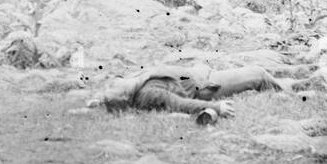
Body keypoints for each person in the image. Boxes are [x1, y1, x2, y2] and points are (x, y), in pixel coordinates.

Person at [101, 63, 287, 120]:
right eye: (114, 87)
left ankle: (294, 80)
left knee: (264, 73)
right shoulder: (148, 93)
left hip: (198, 73)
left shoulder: (133, 81)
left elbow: (106, 96)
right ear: (126, 96)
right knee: (258, 74)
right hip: (207, 85)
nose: (114, 82)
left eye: (112, 84)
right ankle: (291, 91)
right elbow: (181, 104)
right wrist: (217, 107)